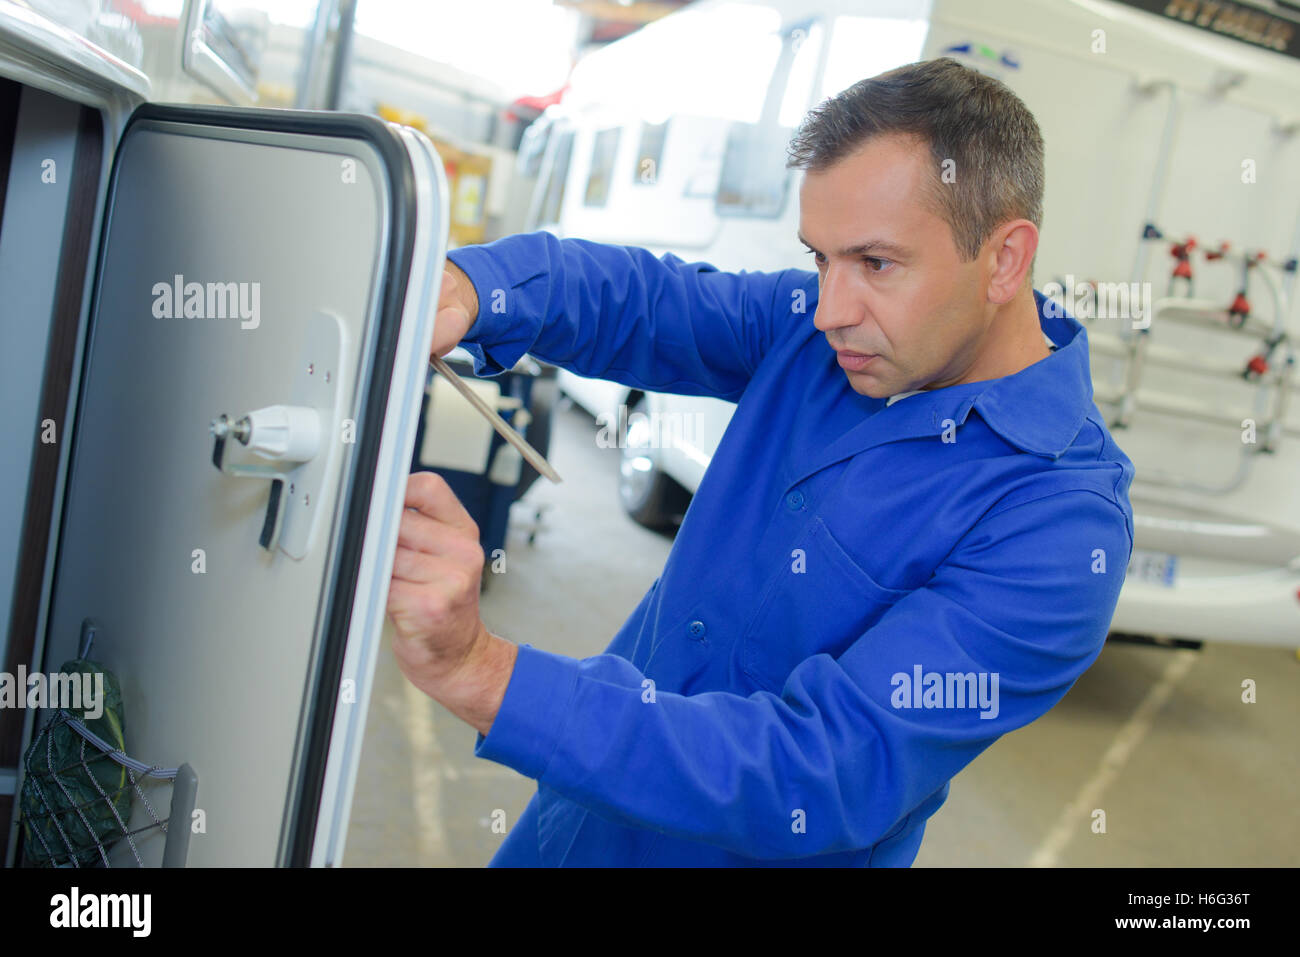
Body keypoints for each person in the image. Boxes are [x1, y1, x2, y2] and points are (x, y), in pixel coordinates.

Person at [385, 56, 1135, 867]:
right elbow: (643, 300)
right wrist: (471, 284)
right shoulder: (821, 334)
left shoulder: (1058, 526)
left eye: (877, 264)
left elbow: (818, 771)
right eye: (820, 258)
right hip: (574, 830)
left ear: (1005, 259)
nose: (830, 309)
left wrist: (485, 673)